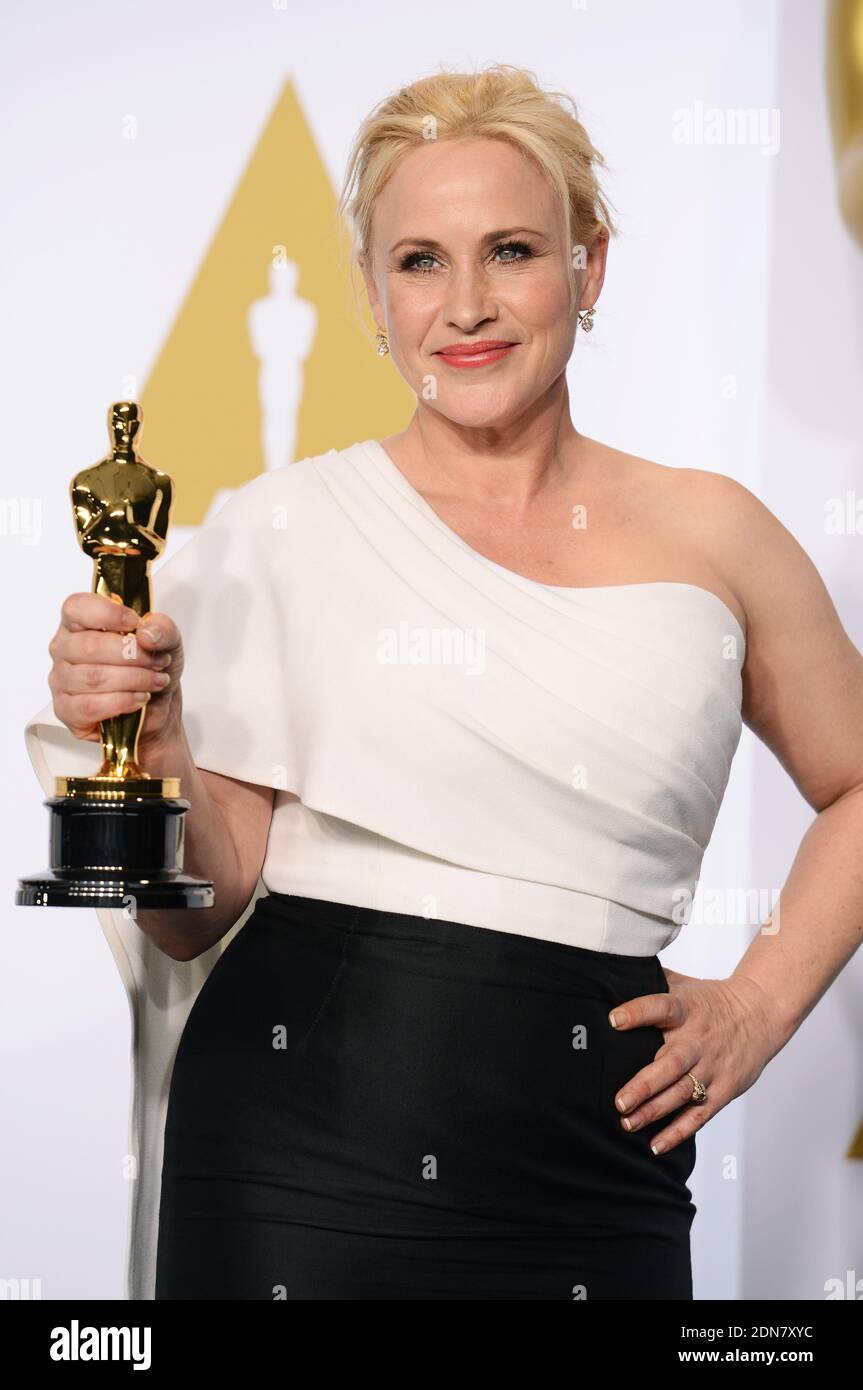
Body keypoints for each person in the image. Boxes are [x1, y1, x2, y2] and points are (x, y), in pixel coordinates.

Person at [30, 63, 863, 1300]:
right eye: (418, 260)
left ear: (588, 267)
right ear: (370, 296)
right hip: (290, 1159)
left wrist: (754, 1004)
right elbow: (198, 908)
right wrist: (149, 752)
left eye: (511, 250)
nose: (464, 305)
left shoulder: (718, 534)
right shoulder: (281, 530)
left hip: (600, 1165)